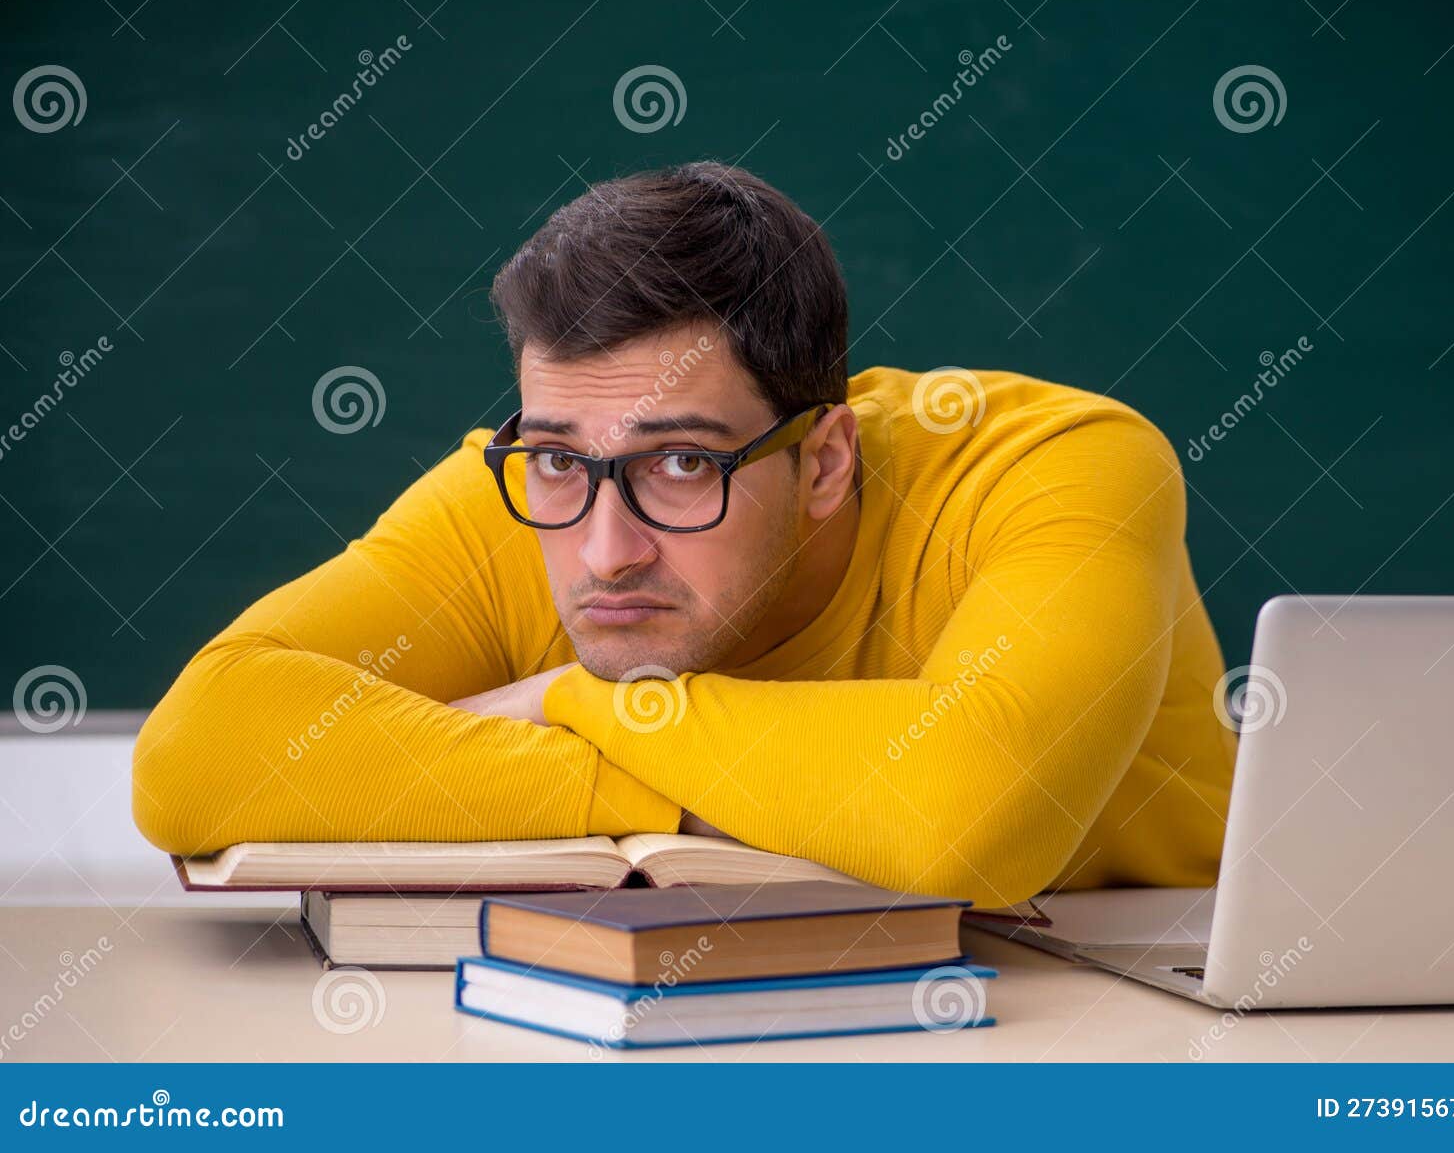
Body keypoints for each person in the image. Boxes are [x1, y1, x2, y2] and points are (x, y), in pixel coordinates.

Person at [132, 161, 1235, 906]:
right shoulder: (518, 491)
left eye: (681, 463)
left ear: (826, 463)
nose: (607, 549)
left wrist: (571, 701)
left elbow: (973, 816)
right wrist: (647, 774)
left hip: (1170, 1031)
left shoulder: (1053, 465)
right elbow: (195, 759)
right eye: (562, 456)